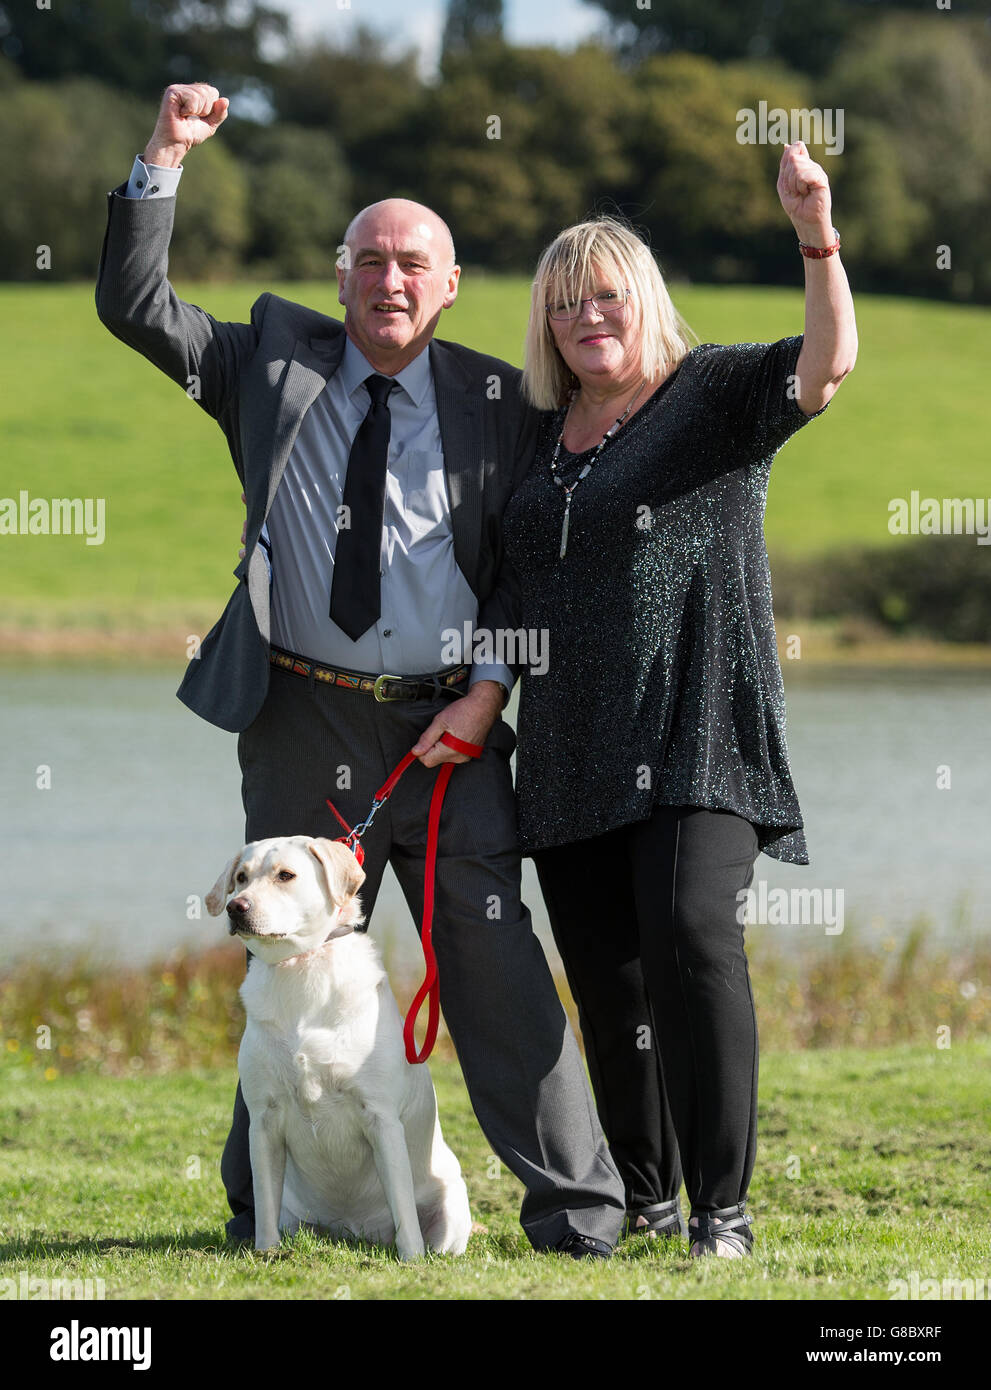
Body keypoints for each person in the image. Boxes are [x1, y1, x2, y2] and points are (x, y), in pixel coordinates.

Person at [95, 82, 626, 1258]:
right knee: (282, 969)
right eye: (370, 259)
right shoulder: (263, 368)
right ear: (341, 278)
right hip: (301, 718)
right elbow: (135, 307)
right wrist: (164, 156)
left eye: (414, 265)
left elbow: (529, 573)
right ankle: (260, 1215)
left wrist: (490, 694)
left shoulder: (501, 401)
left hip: (451, 730)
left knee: (492, 959)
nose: (390, 281)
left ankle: (579, 1218)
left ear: (445, 288)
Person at [493, 144, 857, 1256]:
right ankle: (646, 1196)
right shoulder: (538, 441)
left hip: (698, 732)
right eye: (565, 305)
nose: (586, 318)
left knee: (694, 941)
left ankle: (724, 1211)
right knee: (608, 982)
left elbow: (826, 369)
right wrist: (481, 692)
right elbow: (513, 582)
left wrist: (813, 231)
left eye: (605, 296)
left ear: (641, 300)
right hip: (566, 749)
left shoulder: (709, 394)